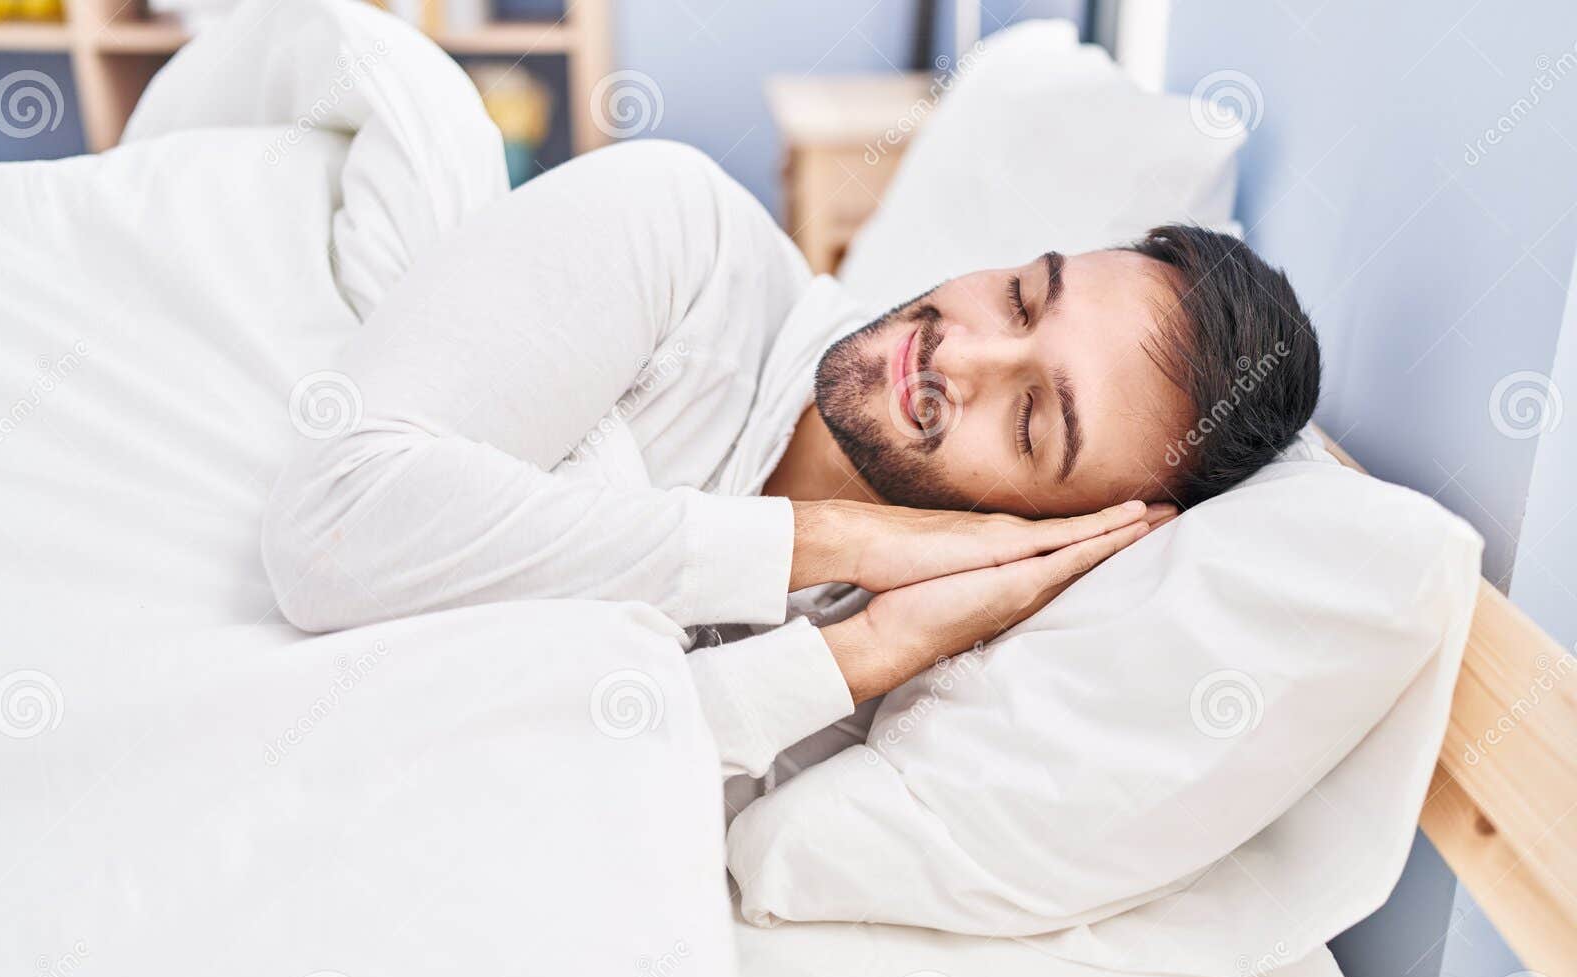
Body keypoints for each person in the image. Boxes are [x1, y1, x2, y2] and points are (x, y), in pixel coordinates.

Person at [262, 141, 1319, 779]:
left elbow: (554, 785)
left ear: (1056, 529)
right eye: (1019, 297)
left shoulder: (906, 671)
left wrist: (850, 657)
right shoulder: (679, 239)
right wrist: (826, 533)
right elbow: (328, 535)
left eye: (1033, 422)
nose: (957, 352)